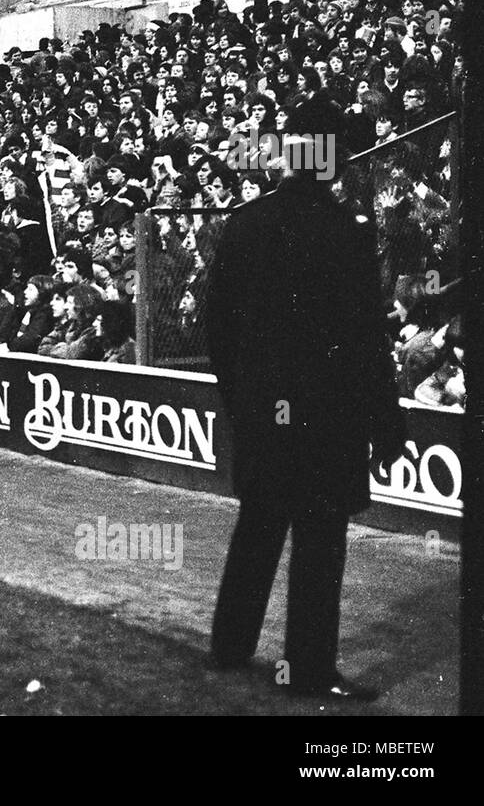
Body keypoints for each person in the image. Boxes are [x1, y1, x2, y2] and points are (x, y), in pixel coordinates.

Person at [205, 96, 408, 701]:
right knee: (319, 542)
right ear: (335, 160)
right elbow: (366, 339)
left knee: (259, 526)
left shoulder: (246, 223)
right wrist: (386, 422)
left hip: (265, 411)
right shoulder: (344, 232)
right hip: (327, 417)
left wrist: (240, 398)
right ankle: (308, 671)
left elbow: (218, 326)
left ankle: (229, 647)